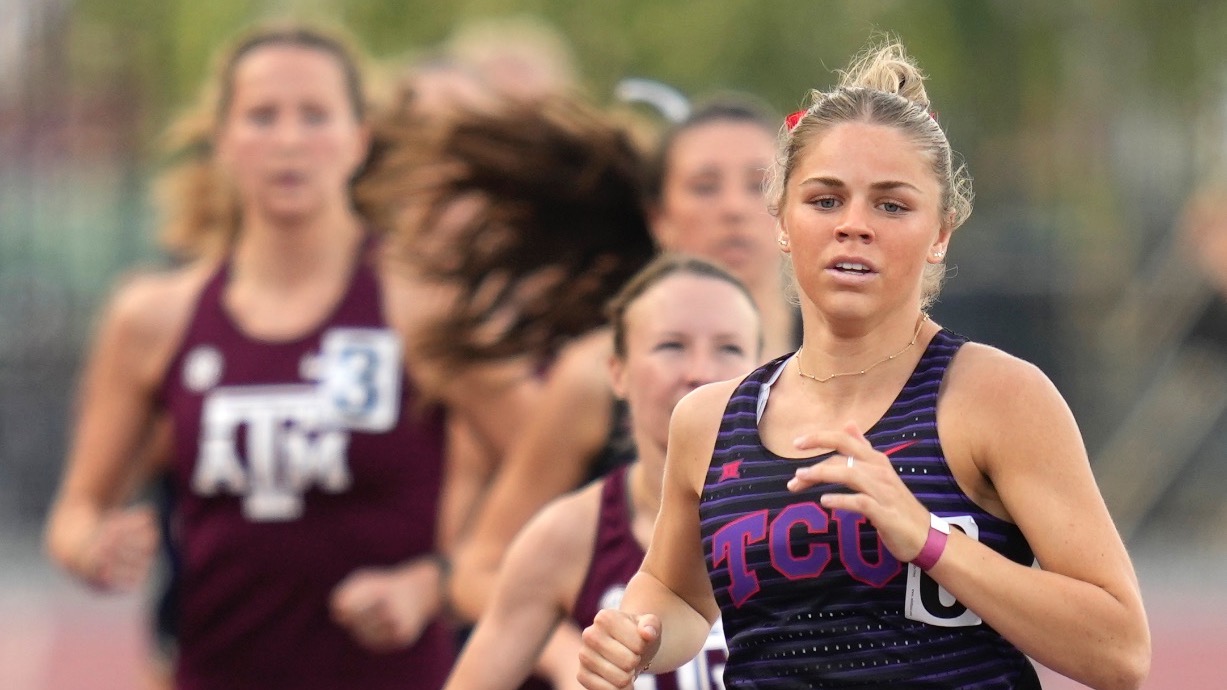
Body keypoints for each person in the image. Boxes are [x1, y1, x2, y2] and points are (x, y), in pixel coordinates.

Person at [43, 21, 653, 690]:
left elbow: (556, 483)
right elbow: (76, 512)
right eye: (262, 117)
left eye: (314, 116)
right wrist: (94, 547)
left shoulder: (419, 308)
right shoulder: (152, 316)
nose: (288, 141)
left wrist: (432, 586)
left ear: (358, 139)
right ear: (221, 140)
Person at [577, 41, 1151, 690]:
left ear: (940, 232)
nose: (853, 225)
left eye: (890, 205)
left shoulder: (994, 396)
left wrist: (929, 542)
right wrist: (637, 636)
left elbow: (1119, 650)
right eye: (824, 200)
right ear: (782, 222)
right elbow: (677, 595)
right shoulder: (708, 420)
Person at [449, 95, 795, 623]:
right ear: (659, 217)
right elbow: (478, 570)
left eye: (759, 185)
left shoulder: (845, 364)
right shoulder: (598, 373)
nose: (733, 207)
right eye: (704, 186)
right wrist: (569, 655)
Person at [444, 254, 760, 690]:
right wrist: (567, 656)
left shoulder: (806, 514)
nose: (700, 373)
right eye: (671, 346)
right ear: (618, 372)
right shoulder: (570, 534)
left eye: (729, 348)